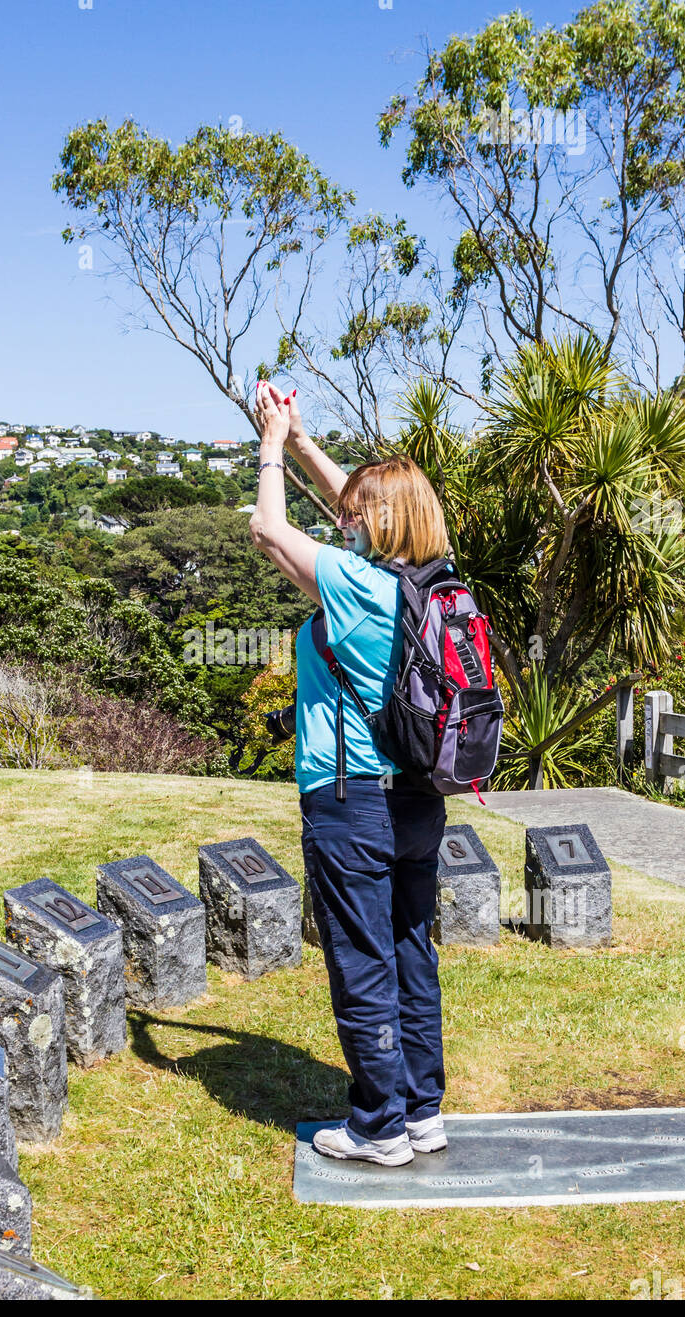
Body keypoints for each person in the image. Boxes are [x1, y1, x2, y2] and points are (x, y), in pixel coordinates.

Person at [249, 381, 451, 1167]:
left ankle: (376, 1127)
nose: (346, 520)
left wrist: (269, 445)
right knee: (407, 949)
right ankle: (419, 1108)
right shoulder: (430, 581)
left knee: (360, 955)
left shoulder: (357, 587)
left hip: (349, 796)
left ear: (378, 523)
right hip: (416, 795)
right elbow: (353, 507)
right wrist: (301, 441)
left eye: (359, 514)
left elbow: (270, 528)